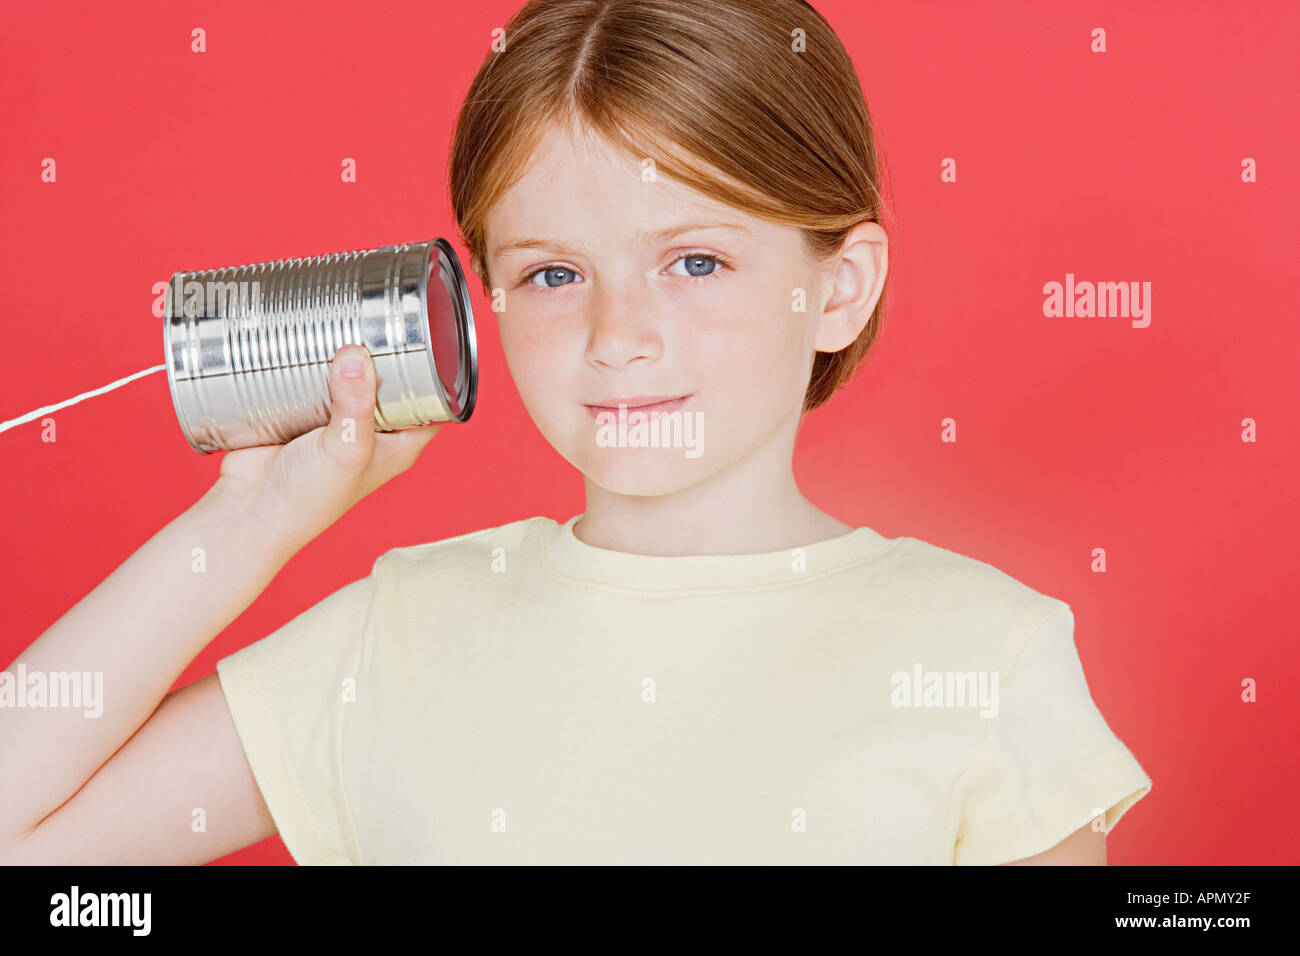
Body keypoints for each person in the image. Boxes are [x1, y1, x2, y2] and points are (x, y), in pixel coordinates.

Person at [0, 0, 1150, 865]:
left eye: (694, 260)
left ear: (836, 288)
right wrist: (251, 521)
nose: (618, 333)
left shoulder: (984, 653)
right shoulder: (395, 635)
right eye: (553, 272)